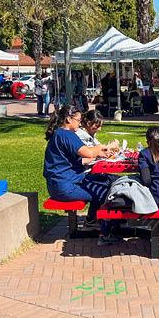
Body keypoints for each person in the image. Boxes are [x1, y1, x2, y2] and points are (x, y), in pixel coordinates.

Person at [43, 104, 119, 244]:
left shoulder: (60, 134)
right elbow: (89, 152)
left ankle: (94, 221)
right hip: (64, 186)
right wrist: (103, 147)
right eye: (78, 120)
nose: (80, 123)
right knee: (108, 193)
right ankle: (105, 232)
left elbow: (82, 158)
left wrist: (101, 153)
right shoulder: (66, 134)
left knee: (107, 180)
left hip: (63, 182)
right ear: (68, 119)